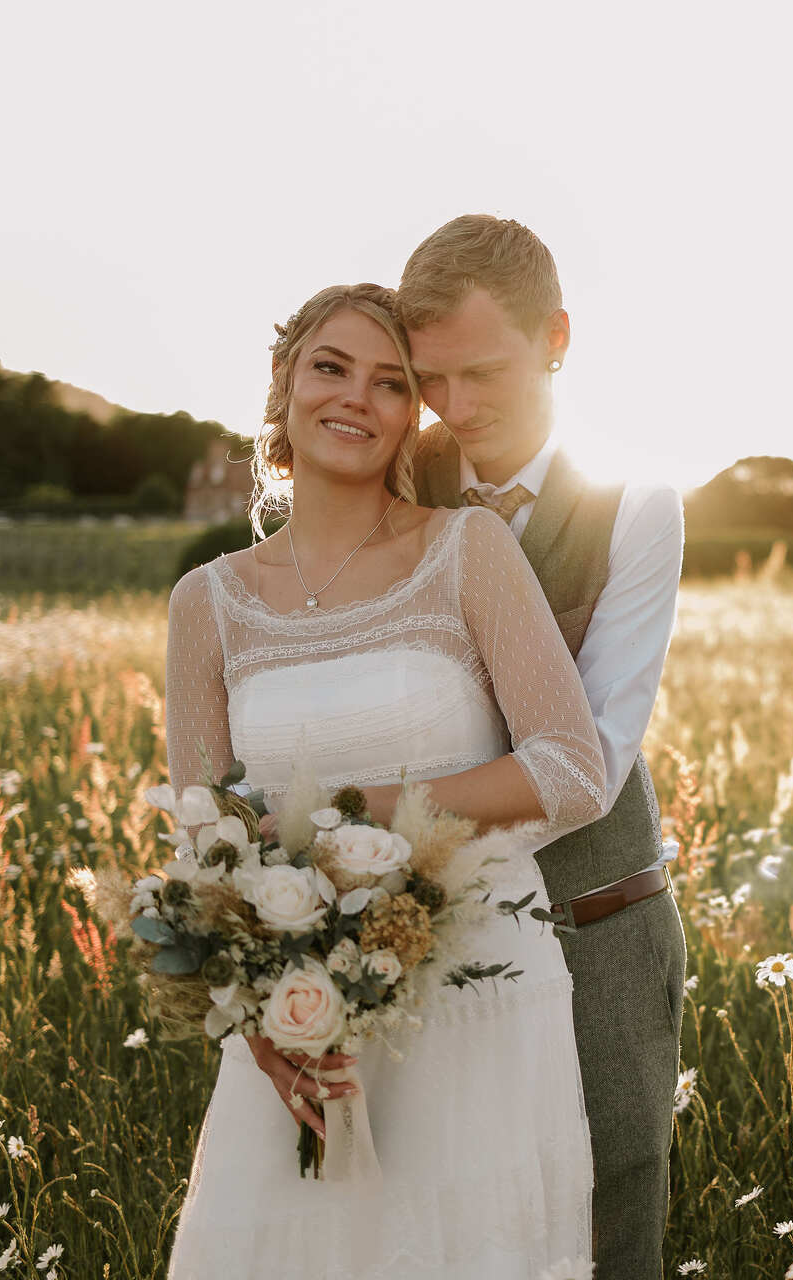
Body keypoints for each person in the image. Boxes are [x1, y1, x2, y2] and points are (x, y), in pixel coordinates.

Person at [163, 282, 603, 1277]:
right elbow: (203, 836)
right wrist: (273, 1022)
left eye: (391, 382)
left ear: (413, 414)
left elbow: (572, 769)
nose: (356, 397)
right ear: (284, 382)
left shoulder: (466, 552)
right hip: (298, 1006)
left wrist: (349, 809)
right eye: (331, 366)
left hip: (471, 991)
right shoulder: (209, 602)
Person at [397, 215, 687, 1280]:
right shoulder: (394, 479)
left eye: (484, 372)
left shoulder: (634, 510)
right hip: (418, 937)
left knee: (609, 1230)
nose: (457, 409)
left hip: (598, 927)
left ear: (556, 336)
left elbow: (594, 762)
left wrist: (381, 806)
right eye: (432, 379)